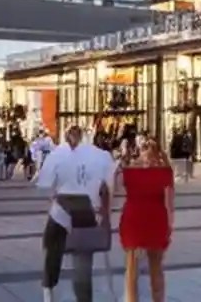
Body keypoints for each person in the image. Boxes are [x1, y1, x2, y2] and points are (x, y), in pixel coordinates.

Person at [37, 125, 117, 302]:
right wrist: (105, 213)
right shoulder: (101, 156)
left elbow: (45, 185)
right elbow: (110, 187)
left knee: (51, 244)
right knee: (82, 259)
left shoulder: (57, 155)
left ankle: (48, 286)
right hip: (89, 212)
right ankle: (81, 297)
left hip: (63, 210)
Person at [119, 138, 175, 302]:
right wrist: (170, 225)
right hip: (155, 219)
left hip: (134, 219)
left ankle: (131, 299)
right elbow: (169, 204)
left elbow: (112, 187)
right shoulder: (164, 172)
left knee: (132, 267)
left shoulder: (129, 171)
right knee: (155, 267)